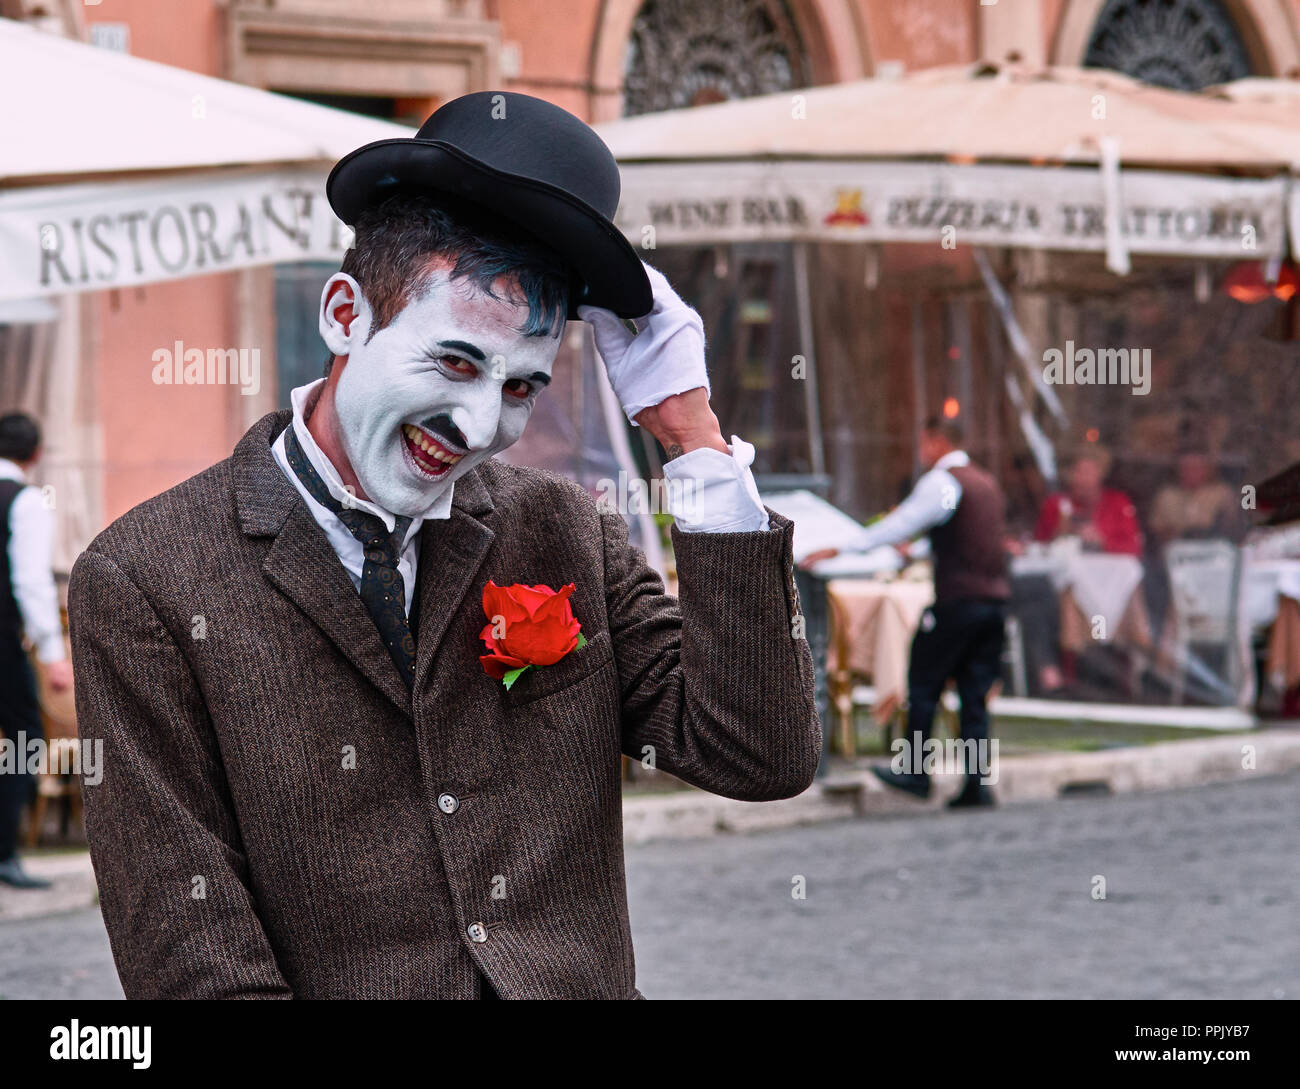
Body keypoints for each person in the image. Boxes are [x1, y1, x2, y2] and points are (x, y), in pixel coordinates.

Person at [69, 92, 820, 999]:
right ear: (345, 313)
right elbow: (192, 957)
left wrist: (692, 437)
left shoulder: (565, 527)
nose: (477, 425)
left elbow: (758, 753)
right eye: (456, 362)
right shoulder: (145, 578)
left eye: (521, 388)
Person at [801, 417, 1008, 807]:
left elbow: (901, 524)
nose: (920, 451)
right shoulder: (985, 482)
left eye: (923, 443)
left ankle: (916, 772)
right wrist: (913, 553)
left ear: (936, 441)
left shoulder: (943, 482)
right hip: (992, 605)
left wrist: (843, 547)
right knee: (974, 695)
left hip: (957, 603)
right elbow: (958, 538)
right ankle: (977, 784)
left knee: (923, 683)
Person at [0, 412, 73, 889]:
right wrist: (52, 653)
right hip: (3, 639)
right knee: (25, 737)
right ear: (36, 455)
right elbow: (30, 581)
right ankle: (5, 852)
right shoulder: (24, 501)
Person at [1033, 445, 1141, 555]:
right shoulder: (1055, 505)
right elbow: (1037, 546)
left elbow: (1133, 547)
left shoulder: (1118, 503)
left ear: (1101, 474)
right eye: (1077, 472)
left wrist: (1102, 542)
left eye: (1088, 473)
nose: (1082, 479)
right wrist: (1059, 536)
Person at [1149, 450, 1238, 543]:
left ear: (1207, 469)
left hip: (1214, 548)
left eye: (1196, 468)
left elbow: (1232, 527)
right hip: (1177, 549)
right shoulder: (1166, 496)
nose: (1190, 472)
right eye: (1186, 468)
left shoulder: (1222, 494)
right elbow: (1157, 530)